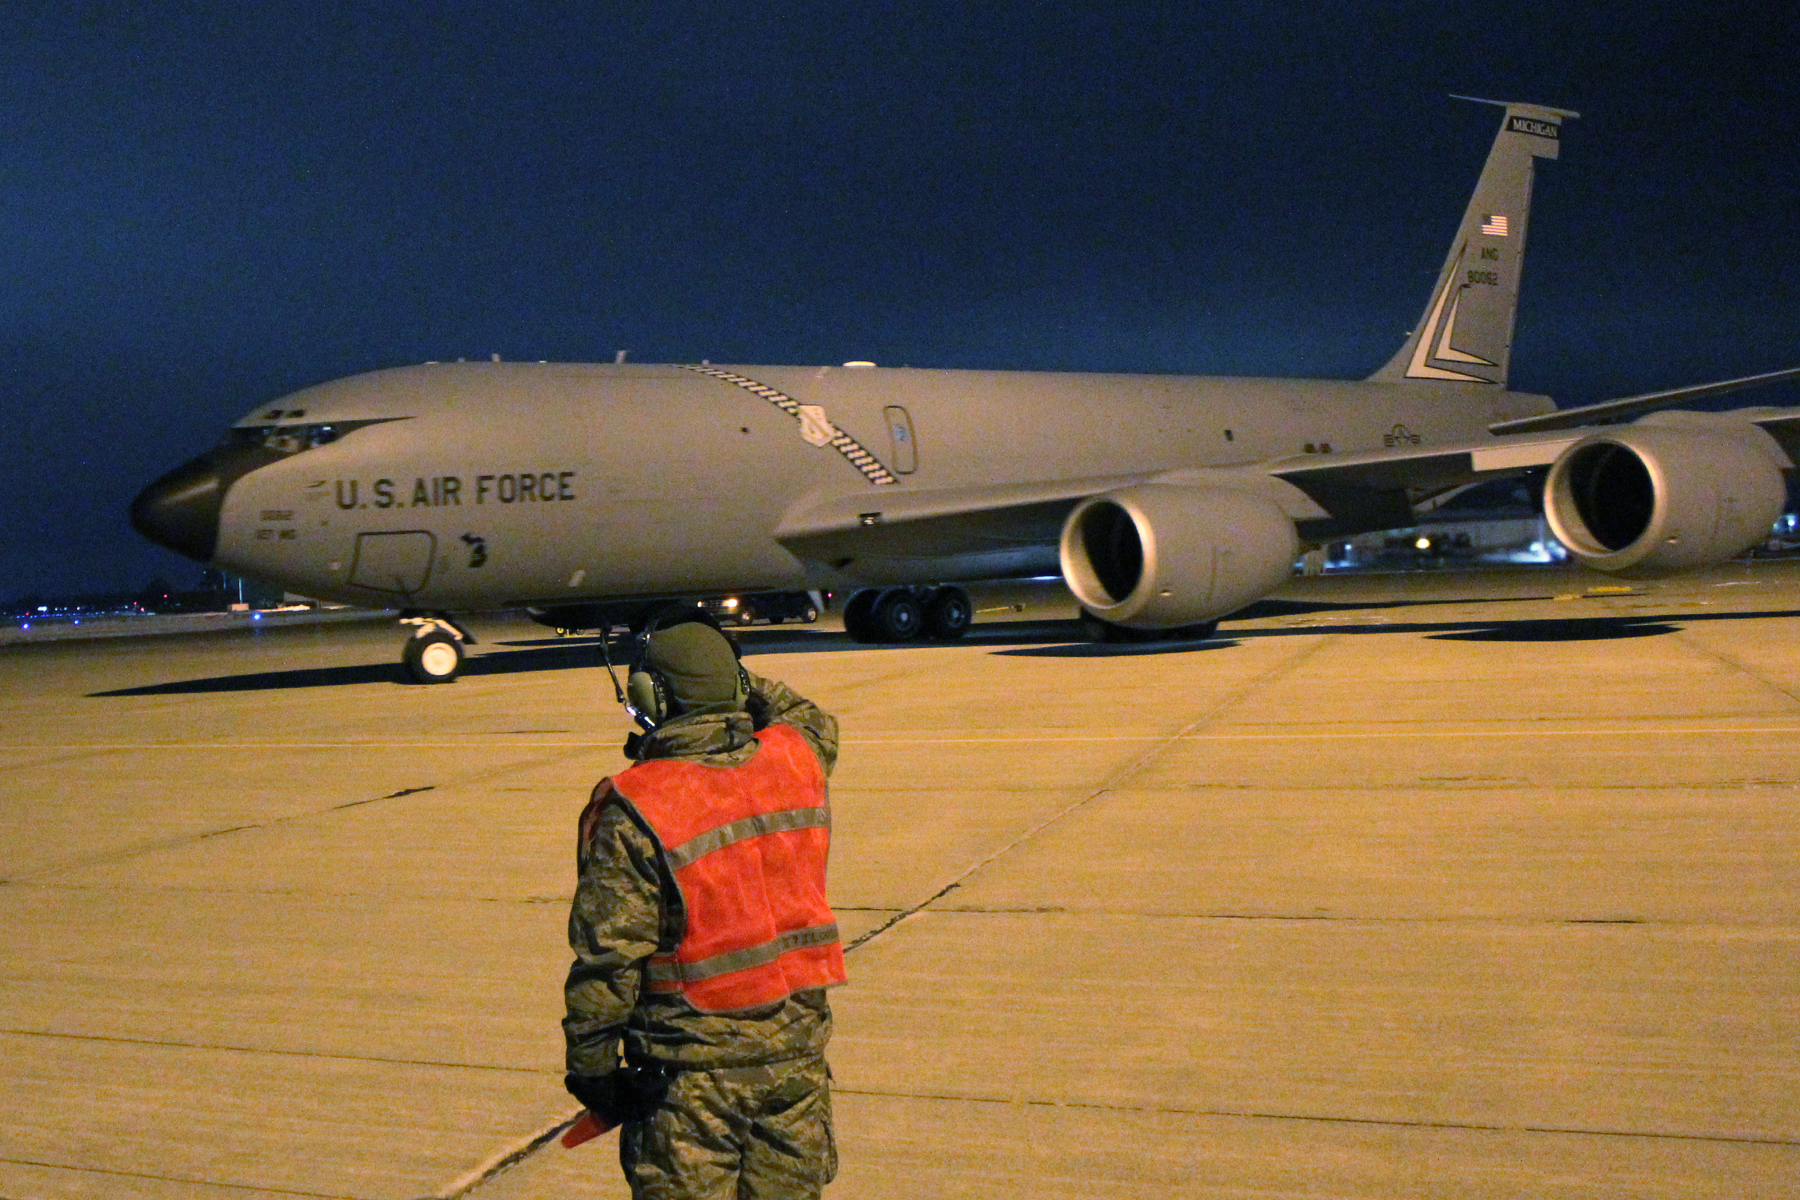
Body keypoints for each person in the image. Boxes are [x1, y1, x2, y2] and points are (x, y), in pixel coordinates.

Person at [564, 606, 845, 1199]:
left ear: (651, 697)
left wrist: (593, 1070)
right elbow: (802, 711)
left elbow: (610, 956)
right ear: (739, 685)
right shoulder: (797, 757)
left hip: (690, 1080)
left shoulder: (638, 805)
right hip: (796, 1064)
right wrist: (727, 668)